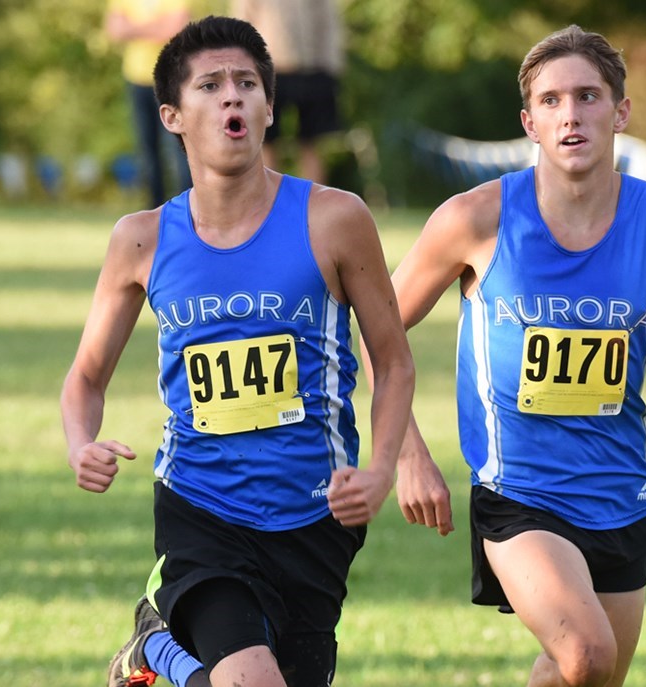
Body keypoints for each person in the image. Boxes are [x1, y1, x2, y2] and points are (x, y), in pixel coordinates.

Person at [61, 15, 414, 687]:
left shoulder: (336, 219)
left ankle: (157, 651)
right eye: (211, 85)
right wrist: (82, 440)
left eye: (247, 83)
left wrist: (383, 468)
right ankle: (165, 649)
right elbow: (84, 376)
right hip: (200, 504)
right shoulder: (141, 239)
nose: (232, 97)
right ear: (172, 115)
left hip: (317, 512)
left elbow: (393, 361)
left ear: (269, 106)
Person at [388, 25, 646, 687]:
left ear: (621, 112)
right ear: (529, 122)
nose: (570, 113)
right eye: (551, 101)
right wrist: (407, 452)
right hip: (519, 493)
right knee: (588, 655)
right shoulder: (475, 219)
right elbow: (378, 330)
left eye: (588, 96)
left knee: (585, 676)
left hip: (623, 493)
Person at [230, 0, 344, 184]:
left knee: (312, 141)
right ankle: (269, 204)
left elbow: (328, 22)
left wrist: (332, 65)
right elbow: (243, 22)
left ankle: (314, 204)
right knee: (265, 139)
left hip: (312, 69)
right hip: (268, 69)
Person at [105, 0, 194, 208]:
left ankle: (187, 207)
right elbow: (114, 30)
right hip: (136, 79)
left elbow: (176, 29)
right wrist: (157, 26)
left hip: (170, 79)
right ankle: (154, 210)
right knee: (147, 150)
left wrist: (133, 28)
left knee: (179, 147)